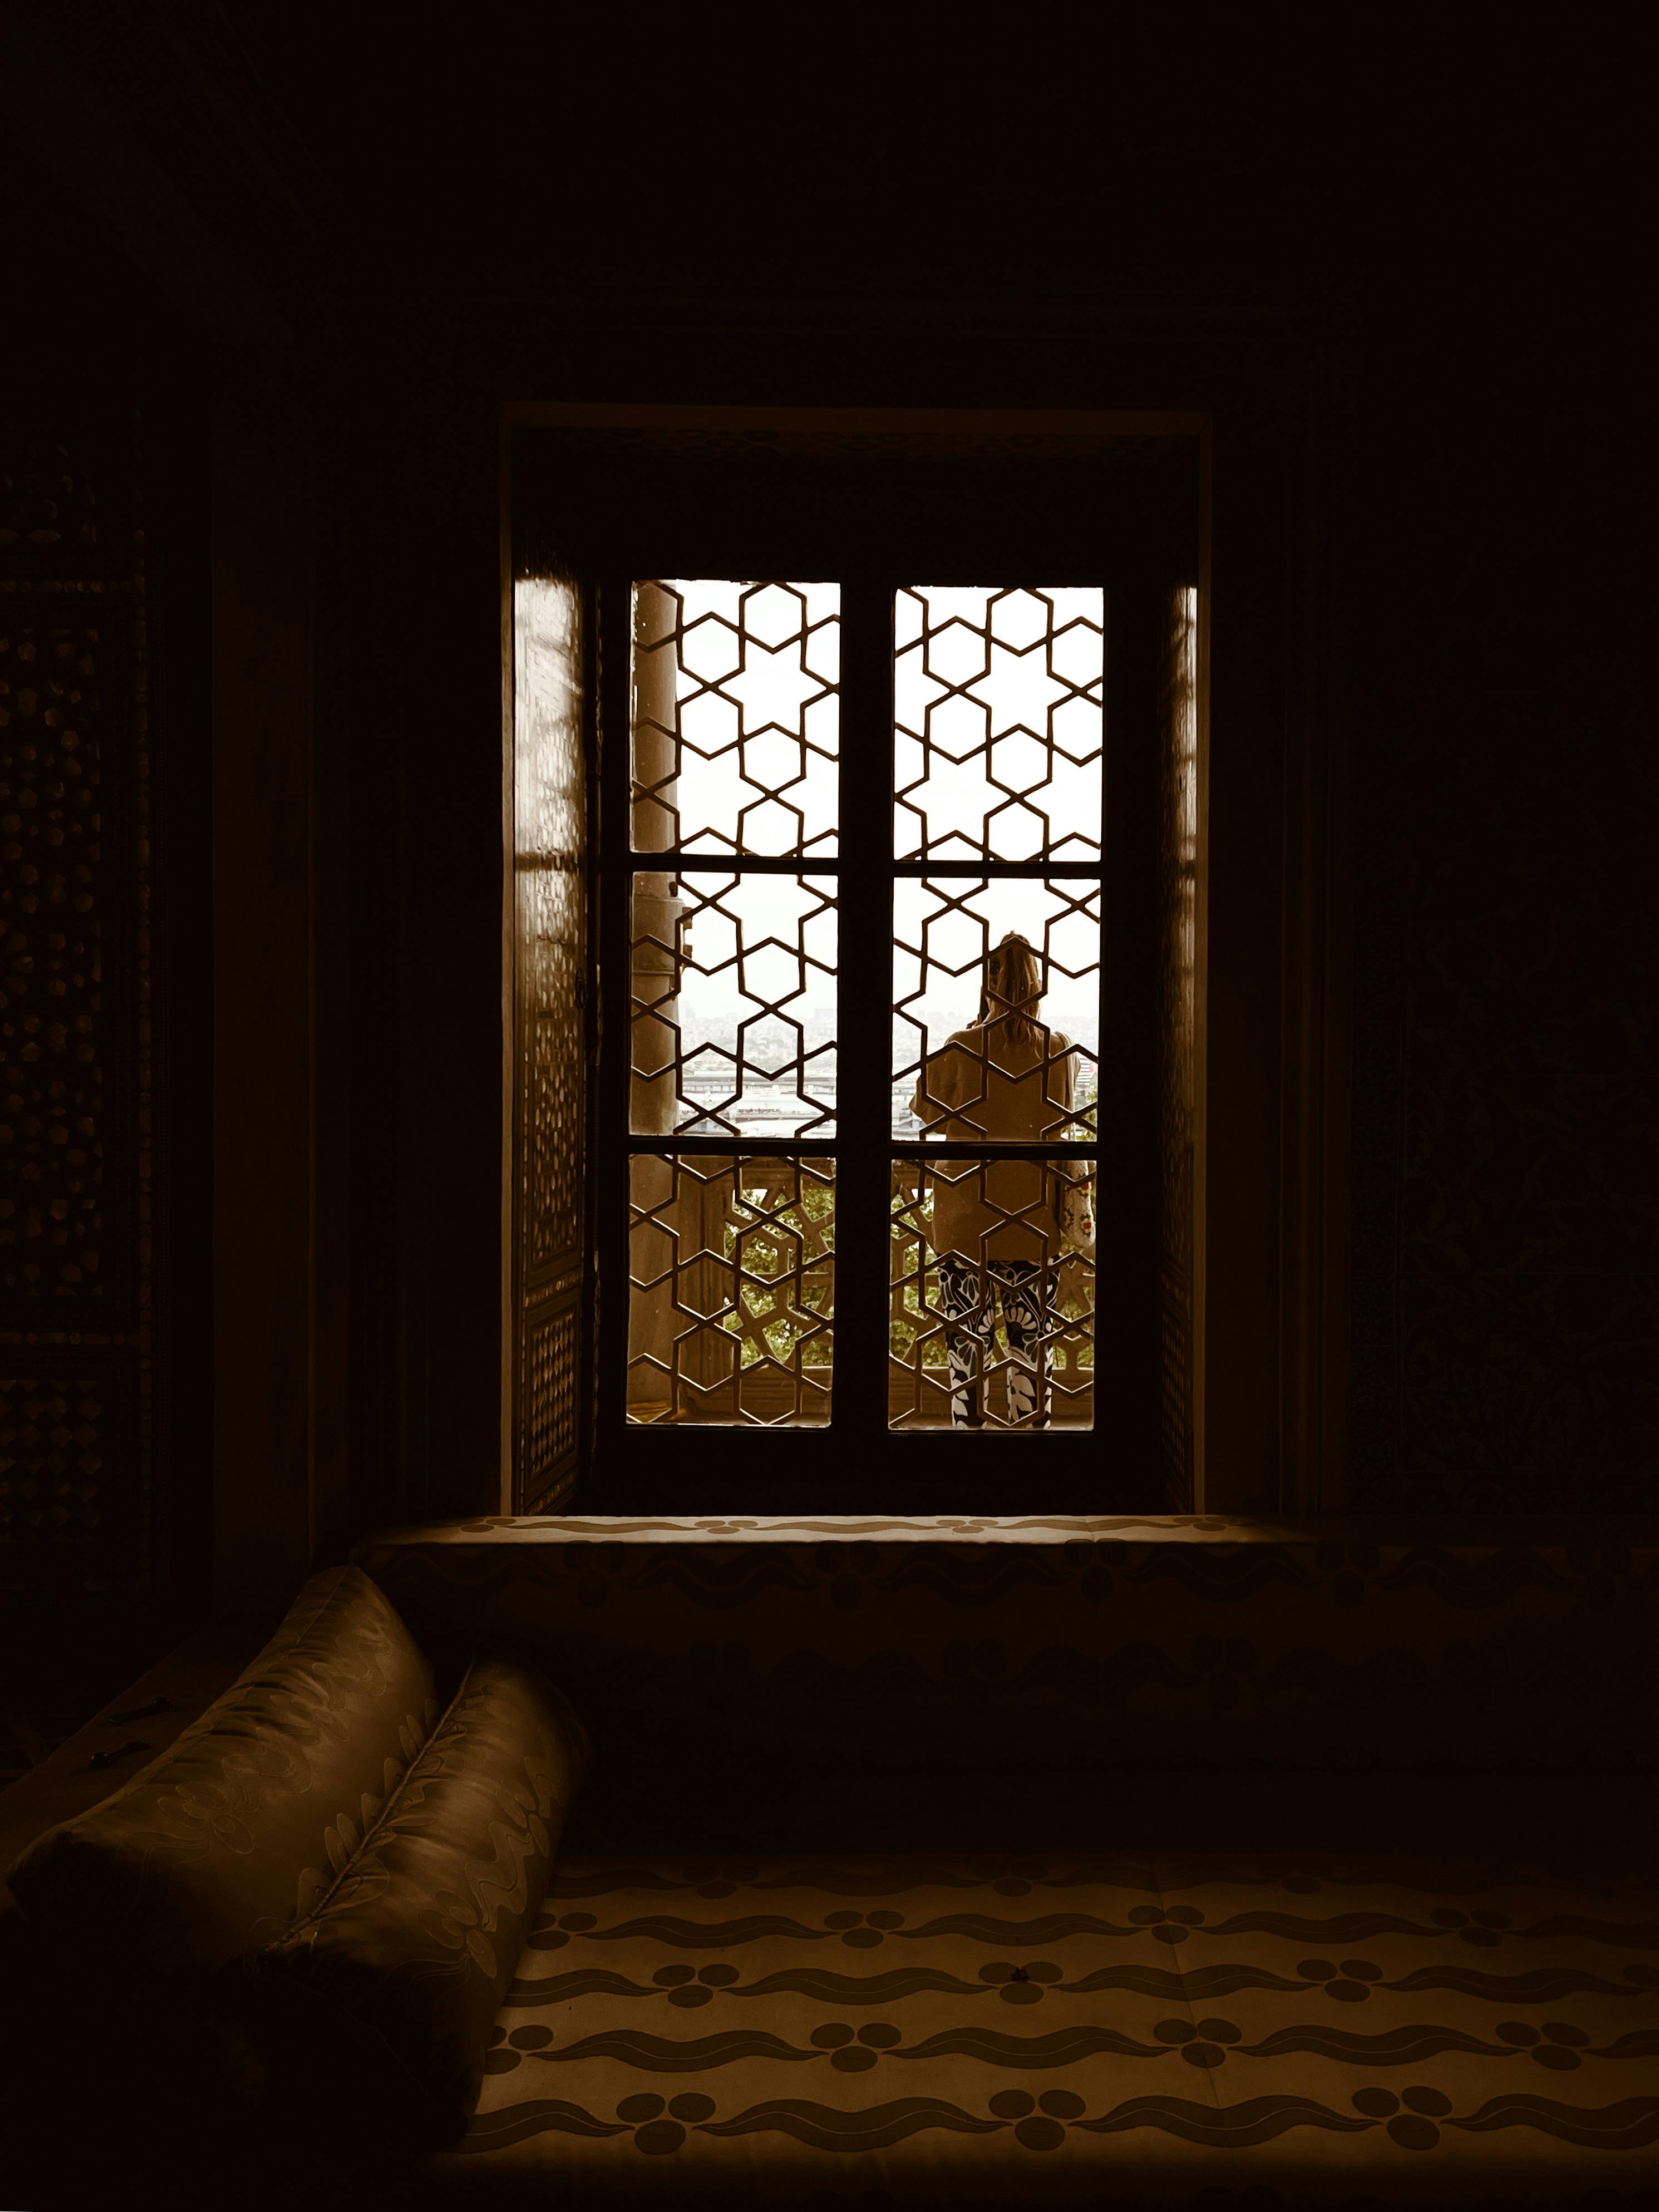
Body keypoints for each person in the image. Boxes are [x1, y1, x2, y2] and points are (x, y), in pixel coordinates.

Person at [909, 933, 1093, 1428]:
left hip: (966, 1218)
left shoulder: (963, 1047)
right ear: (1039, 984)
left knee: (966, 1343)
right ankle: (1028, 1443)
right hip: (1033, 1220)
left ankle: (970, 1445)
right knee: (1030, 1344)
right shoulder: (1060, 1049)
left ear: (987, 982)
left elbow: (924, 1109)